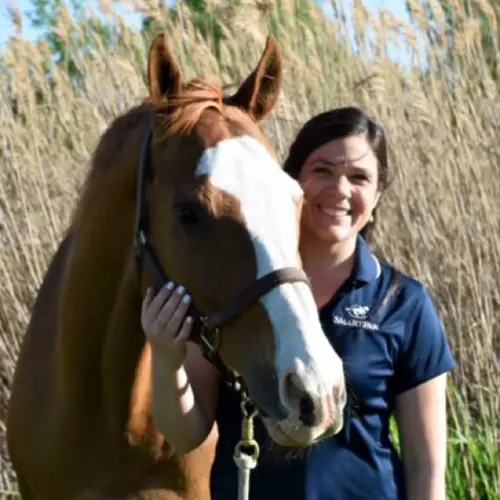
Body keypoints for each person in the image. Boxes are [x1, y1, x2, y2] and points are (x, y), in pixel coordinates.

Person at [141, 106, 456, 500]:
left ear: (376, 197)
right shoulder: (236, 286)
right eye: (322, 170)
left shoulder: (402, 303)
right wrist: (166, 357)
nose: (340, 190)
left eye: (359, 178)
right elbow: (185, 433)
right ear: (290, 181)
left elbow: (426, 468)